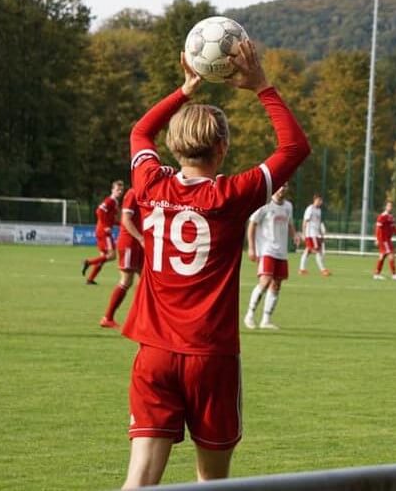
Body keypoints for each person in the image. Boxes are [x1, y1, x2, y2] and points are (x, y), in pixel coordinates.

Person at [119, 40, 309, 489]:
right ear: (221, 147)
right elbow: (295, 147)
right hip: (211, 357)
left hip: (155, 354)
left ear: (174, 144)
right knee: (214, 483)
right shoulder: (231, 196)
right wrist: (261, 84)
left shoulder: (149, 183)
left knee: (138, 482)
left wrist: (184, 90)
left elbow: (139, 133)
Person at [244, 184, 298, 330]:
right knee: (265, 280)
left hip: (282, 251)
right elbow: (252, 225)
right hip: (266, 250)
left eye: (285, 186)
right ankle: (249, 315)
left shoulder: (288, 206)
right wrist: (251, 248)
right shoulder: (264, 204)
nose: (282, 189)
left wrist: (294, 235)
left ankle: (265, 320)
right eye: (280, 186)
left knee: (276, 284)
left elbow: (290, 222)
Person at [100, 186, 144, 329]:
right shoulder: (133, 193)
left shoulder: (146, 192)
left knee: (146, 281)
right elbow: (126, 220)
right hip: (130, 243)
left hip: (138, 243)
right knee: (126, 280)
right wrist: (140, 238)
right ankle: (108, 317)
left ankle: (141, 318)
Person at [82, 180, 124, 285]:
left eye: (121, 190)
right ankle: (88, 262)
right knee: (112, 255)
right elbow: (99, 211)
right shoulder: (110, 200)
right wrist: (105, 226)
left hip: (102, 231)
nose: (119, 192)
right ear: (112, 190)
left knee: (103, 257)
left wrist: (121, 225)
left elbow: (111, 219)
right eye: (117, 190)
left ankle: (90, 279)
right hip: (103, 232)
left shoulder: (115, 202)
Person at [298, 193, 329, 276]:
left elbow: (318, 223)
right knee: (317, 250)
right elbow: (305, 221)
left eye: (321, 200)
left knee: (307, 251)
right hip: (310, 234)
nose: (320, 202)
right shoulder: (310, 209)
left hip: (315, 234)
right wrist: (304, 234)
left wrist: (321, 234)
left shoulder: (319, 210)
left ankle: (302, 269)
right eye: (319, 200)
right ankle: (323, 270)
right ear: (315, 200)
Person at [373, 200, 396, 281]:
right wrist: (376, 239)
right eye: (389, 206)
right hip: (383, 240)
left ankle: (377, 274)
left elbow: (393, 227)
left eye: (391, 206)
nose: (390, 207)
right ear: (385, 207)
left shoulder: (391, 217)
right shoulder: (382, 216)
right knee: (391, 255)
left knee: (382, 256)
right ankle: (394, 274)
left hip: (388, 240)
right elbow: (378, 228)